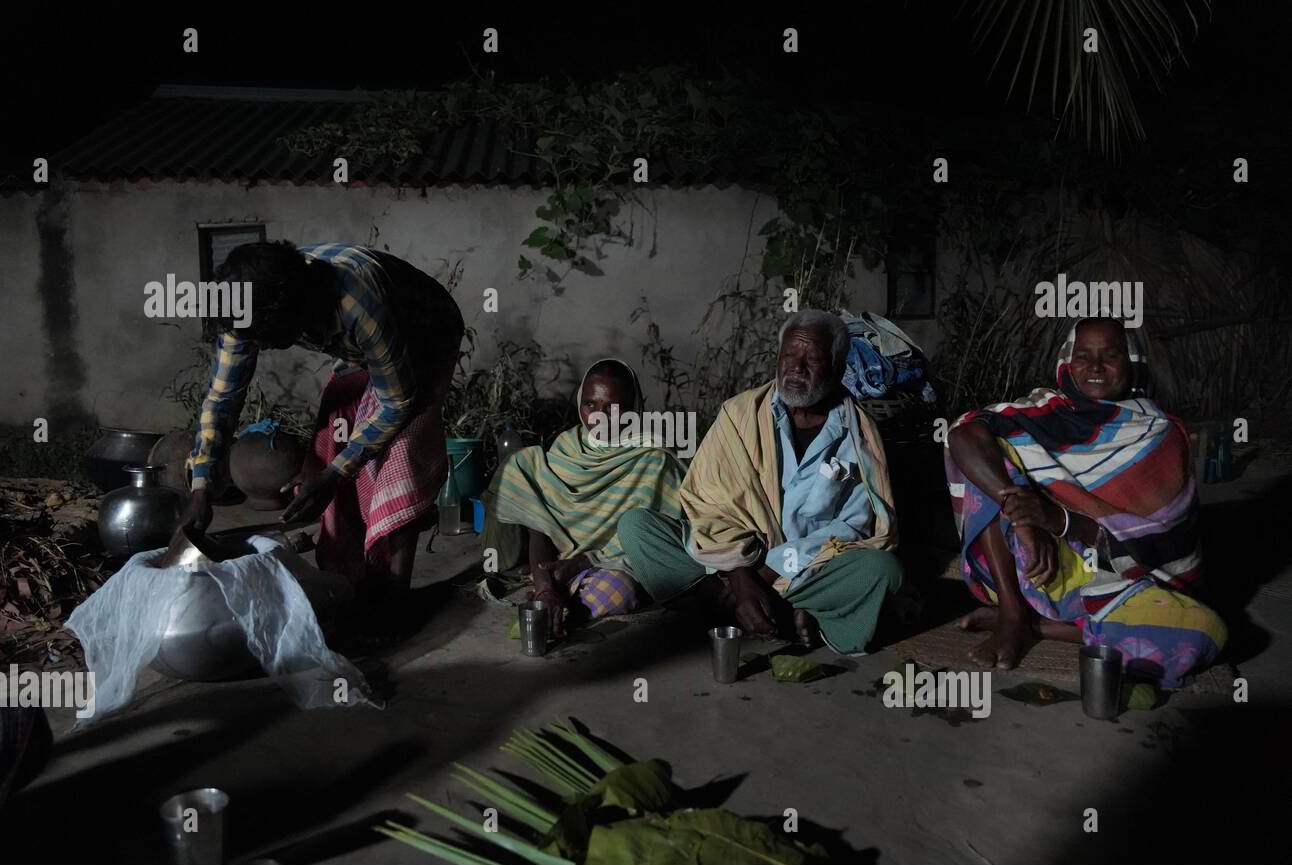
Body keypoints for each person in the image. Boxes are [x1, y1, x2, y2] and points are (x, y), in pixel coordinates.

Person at [945, 316, 1225, 687]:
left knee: (1203, 631)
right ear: (1066, 362)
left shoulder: (1161, 434)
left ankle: (1041, 627)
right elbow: (965, 433)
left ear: (1133, 362)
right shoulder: (1044, 411)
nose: (1095, 367)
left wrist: (1056, 518)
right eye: (1083, 357)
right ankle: (1013, 613)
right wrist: (1026, 518)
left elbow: (1158, 548)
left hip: (1125, 582)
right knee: (985, 453)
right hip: (1039, 570)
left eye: (1110, 355)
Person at [181, 241, 463, 596]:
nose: (260, 347)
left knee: (399, 456)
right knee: (333, 441)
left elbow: (396, 402)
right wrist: (201, 485)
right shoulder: (242, 305)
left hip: (426, 337)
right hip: (364, 350)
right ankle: (346, 579)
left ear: (295, 314)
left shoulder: (358, 304)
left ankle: (392, 595)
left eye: (265, 338)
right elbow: (222, 398)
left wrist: (333, 476)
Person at [616, 310, 903, 653]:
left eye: (812, 358)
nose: (796, 368)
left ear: (838, 369)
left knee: (883, 570)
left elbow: (853, 527)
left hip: (806, 570)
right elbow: (709, 504)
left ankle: (741, 610)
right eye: (788, 356)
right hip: (728, 564)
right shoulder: (738, 415)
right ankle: (775, 613)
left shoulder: (858, 437)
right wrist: (740, 577)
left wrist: (766, 574)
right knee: (636, 526)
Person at [487, 359, 687, 637]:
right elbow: (540, 530)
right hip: (560, 559)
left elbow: (661, 541)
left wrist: (583, 562)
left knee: (618, 591)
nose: (598, 418)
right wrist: (546, 585)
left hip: (617, 564)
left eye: (613, 408)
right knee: (521, 467)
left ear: (633, 408)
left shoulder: (653, 459)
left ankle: (559, 603)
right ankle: (549, 592)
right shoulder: (566, 448)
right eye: (590, 404)